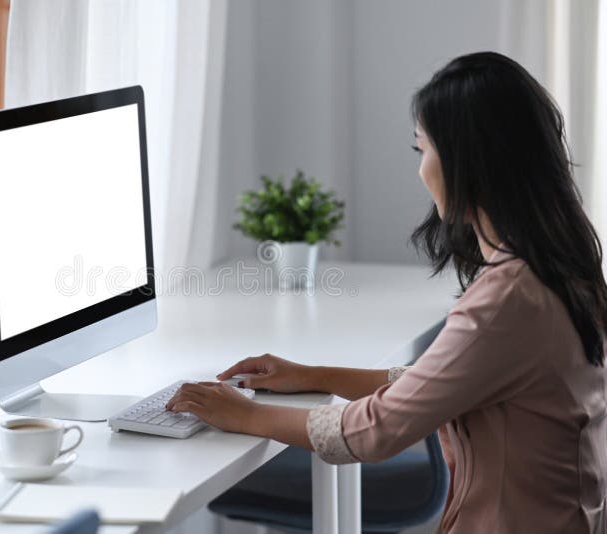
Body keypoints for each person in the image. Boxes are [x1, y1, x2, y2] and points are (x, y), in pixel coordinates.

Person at [167, 52, 607, 533]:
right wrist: (315, 375)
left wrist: (241, 414)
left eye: (422, 150)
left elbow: (373, 432)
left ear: (466, 161)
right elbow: (445, 379)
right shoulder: (559, 267)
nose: (421, 171)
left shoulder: (509, 298)